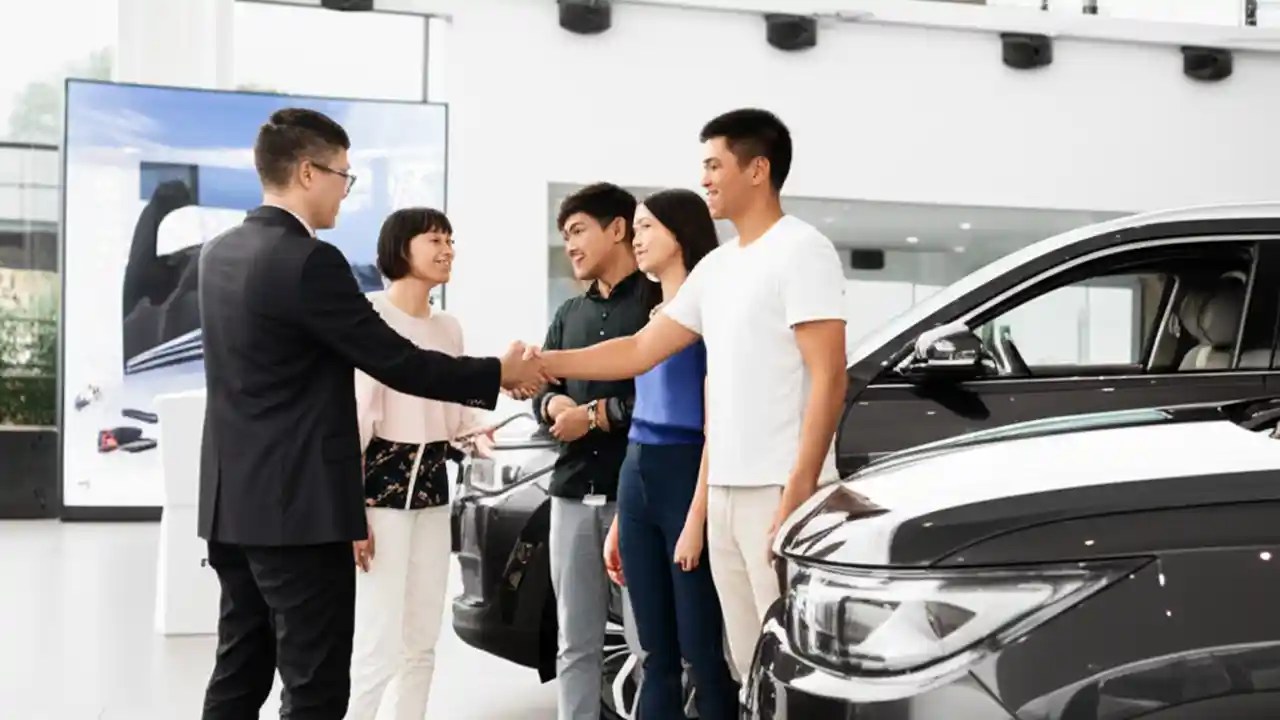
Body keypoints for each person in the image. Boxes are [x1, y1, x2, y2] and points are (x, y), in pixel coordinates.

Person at [196, 107, 546, 720]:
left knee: (240, 669)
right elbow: (398, 362)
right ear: (308, 172)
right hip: (300, 511)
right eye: (343, 175)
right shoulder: (311, 261)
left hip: (233, 504)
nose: (345, 191)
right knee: (316, 686)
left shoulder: (218, 254)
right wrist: (499, 372)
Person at [528, 108, 848, 687]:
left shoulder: (804, 250)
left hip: (777, 488)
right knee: (748, 664)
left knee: (794, 666)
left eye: (713, 165)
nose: (704, 179)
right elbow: (638, 350)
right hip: (723, 487)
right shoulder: (719, 268)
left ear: (757, 170)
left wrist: (799, 490)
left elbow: (830, 377)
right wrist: (542, 364)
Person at [346, 208, 494, 719]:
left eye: (451, 240)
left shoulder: (449, 328)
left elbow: (454, 420)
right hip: (378, 494)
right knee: (376, 641)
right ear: (400, 249)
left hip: (434, 491)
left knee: (421, 641)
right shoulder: (370, 316)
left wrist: (478, 433)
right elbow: (355, 421)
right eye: (435, 239)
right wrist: (350, 513)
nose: (447, 249)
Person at [600, 189, 738, 719]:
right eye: (634, 228)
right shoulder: (654, 316)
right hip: (638, 477)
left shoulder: (710, 320)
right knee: (655, 655)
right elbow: (639, 423)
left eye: (647, 228)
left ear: (680, 234)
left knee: (702, 653)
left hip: (687, 479)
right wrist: (620, 518)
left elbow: (716, 429)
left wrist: (696, 519)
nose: (636, 238)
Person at [530, 182, 658, 720]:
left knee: (648, 643)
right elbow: (542, 385)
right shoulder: (567, 315)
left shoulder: (660, 305)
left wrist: (597, 416)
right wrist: (555, 404)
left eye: (578, 231)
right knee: (573, 642)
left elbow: (665, 398)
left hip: (640, 497)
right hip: (569, 494)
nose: (571, 246)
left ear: (618, 229)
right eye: (564, 236)